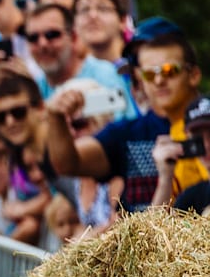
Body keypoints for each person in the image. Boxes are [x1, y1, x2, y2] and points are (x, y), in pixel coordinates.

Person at [45, 24, 202, 213]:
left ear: (193, 74)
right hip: (150, 239)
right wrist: (56, 117)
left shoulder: (204, 120)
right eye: (149, 72)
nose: (159, 80)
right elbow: (66, 164)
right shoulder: (127, 132)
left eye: (169, 70)